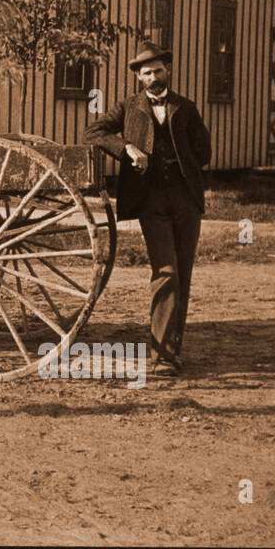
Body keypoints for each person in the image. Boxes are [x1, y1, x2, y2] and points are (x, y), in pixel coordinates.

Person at [85, 41, 212, 376]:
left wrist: (186, 170)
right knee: (166, 272)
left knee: (182, 276)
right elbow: (93, 132)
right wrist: (126, 148)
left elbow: (203, 150)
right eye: (146, 72)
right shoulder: (128, 107)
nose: (153, 77)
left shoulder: (186, 107)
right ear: (138, 77)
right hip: (151, 201)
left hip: (186, 201)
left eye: (158, 70)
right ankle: (161, 356)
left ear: (166, 70)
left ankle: (172, 352)